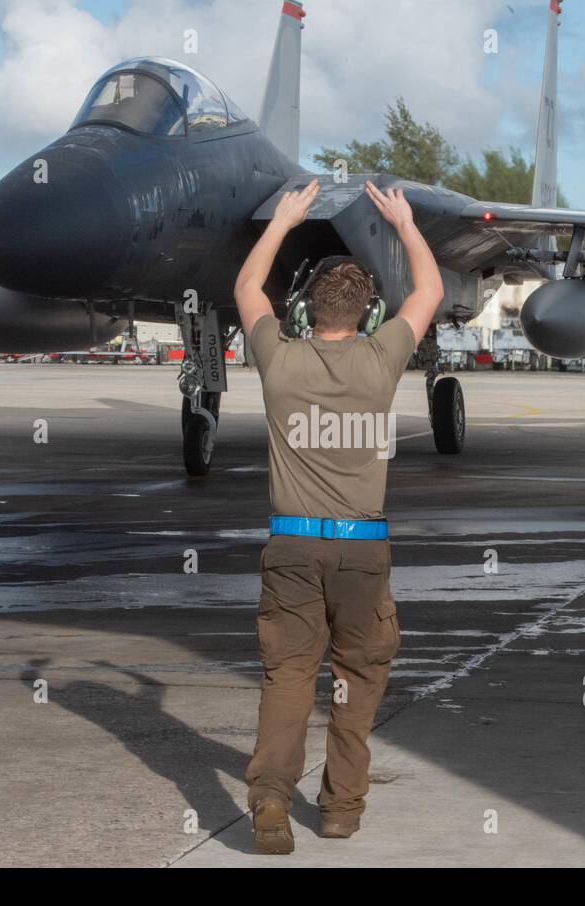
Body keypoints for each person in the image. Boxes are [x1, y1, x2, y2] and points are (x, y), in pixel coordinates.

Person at [232, 179, 443, 854]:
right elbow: (430, 292)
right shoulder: (381, 359)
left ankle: (269, 795)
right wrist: (405, 224)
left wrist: (284, 221)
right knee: (355, 681)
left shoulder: (282, 360)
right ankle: (341, 809)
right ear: (366, 312)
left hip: (292, 548)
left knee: (288, 678)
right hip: (362, 553)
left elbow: (247, 288)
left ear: (305, 310)